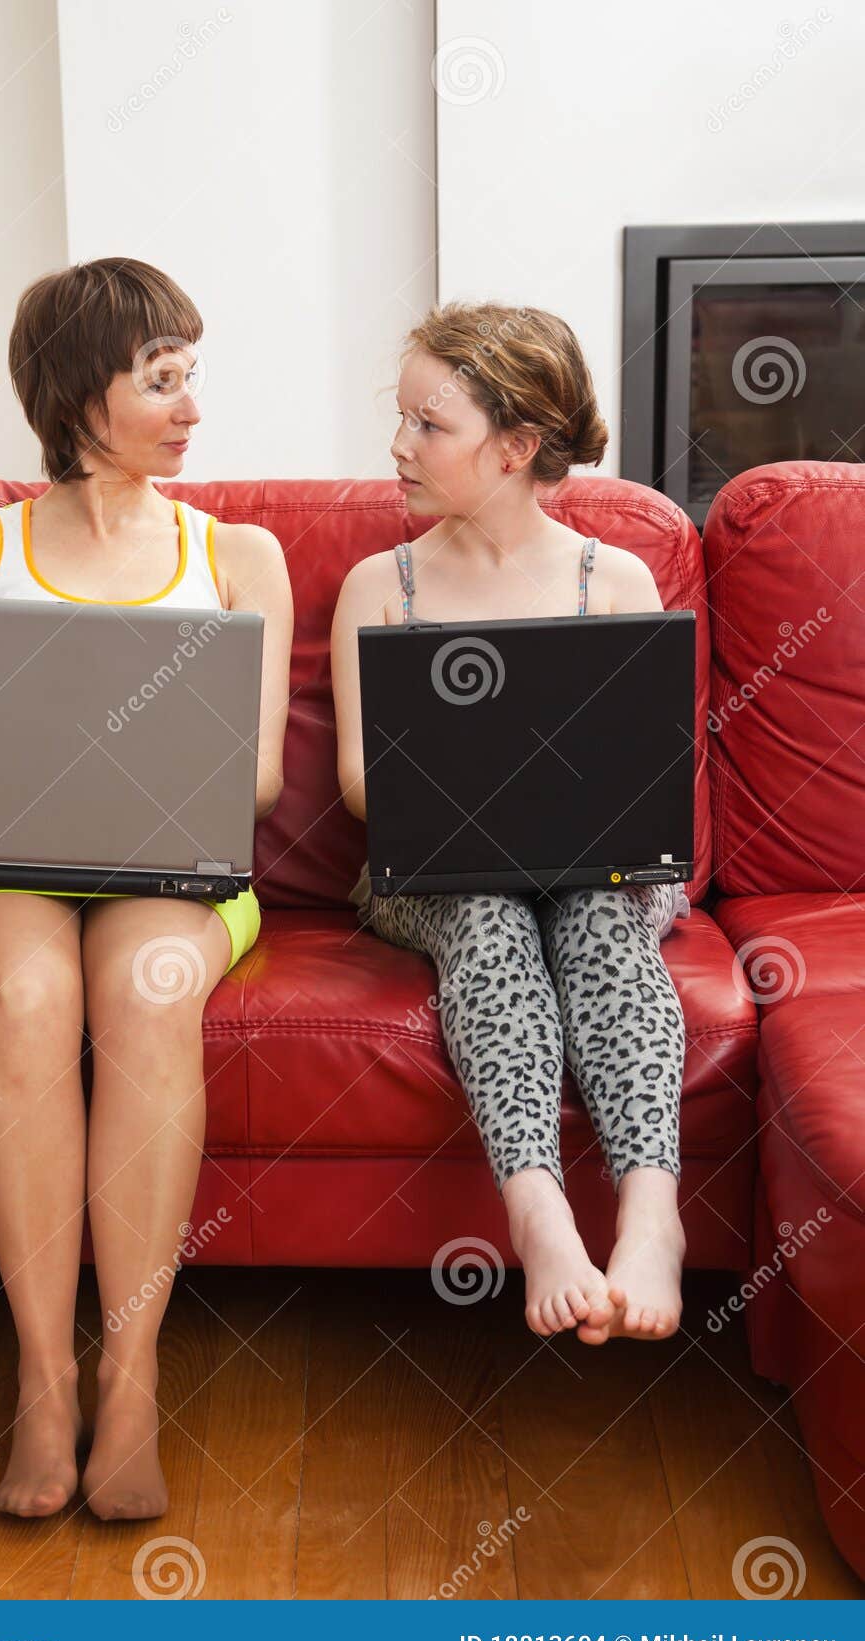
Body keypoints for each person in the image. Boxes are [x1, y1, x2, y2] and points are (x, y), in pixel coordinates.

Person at [0, 257, 293, 1518]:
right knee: (27, 987)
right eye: (160, 380)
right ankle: (45, 1380)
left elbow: (257, 777)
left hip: (168, 862)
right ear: (76, 391)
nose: (191, 408)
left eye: (191, 377)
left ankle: (132, 1375)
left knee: (150, 989)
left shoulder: (240, 554)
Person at [330, 301, 690, 1346]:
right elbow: (361, 784)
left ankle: (651, 1213)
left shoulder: (612, 580)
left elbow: (647, 774)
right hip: (436, 874)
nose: (399, 445)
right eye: (402, 418)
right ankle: (537, 1211)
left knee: (597, 916)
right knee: (487, 914)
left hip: (598, 868)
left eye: (428, 424)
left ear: (516, 446)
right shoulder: (378, 587)